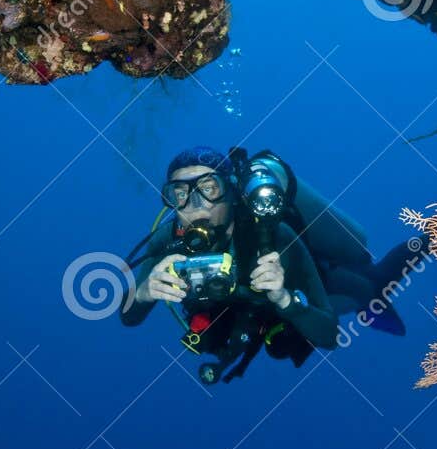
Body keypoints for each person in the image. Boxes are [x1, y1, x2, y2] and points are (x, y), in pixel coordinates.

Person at [120, 146, 417, 383]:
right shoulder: (166, 241)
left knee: (370, 288)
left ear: (232, 192)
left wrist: (285, 299)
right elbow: (129, 317)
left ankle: (426, 243)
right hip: (242, 320)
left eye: (208, 188)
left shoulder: (273, 236)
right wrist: (144, 291)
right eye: (180, 194)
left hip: (299, 295)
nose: (195, 203)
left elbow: (329, 336)